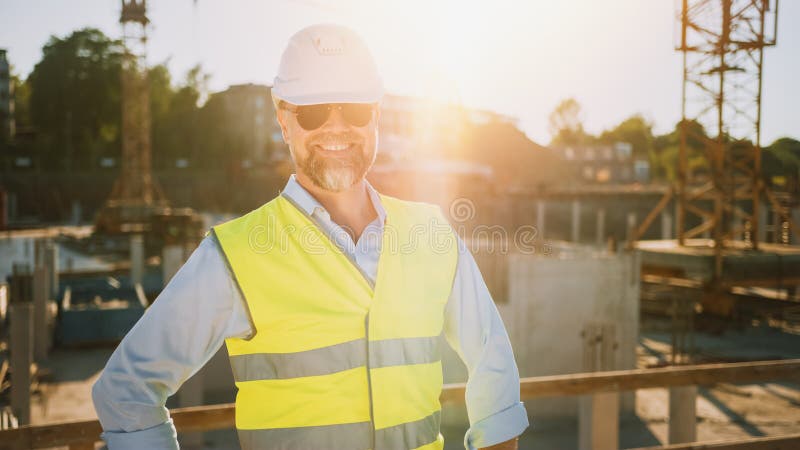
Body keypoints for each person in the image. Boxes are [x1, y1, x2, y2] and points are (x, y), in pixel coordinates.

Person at [92, 23, 528, 450]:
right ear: (285, 121)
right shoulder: (237, 255)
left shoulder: (430, 233)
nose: (336, 127)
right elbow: (126, 391)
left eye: (354, 110)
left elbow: (494, 360)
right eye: (314, 112)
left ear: (376, 116)